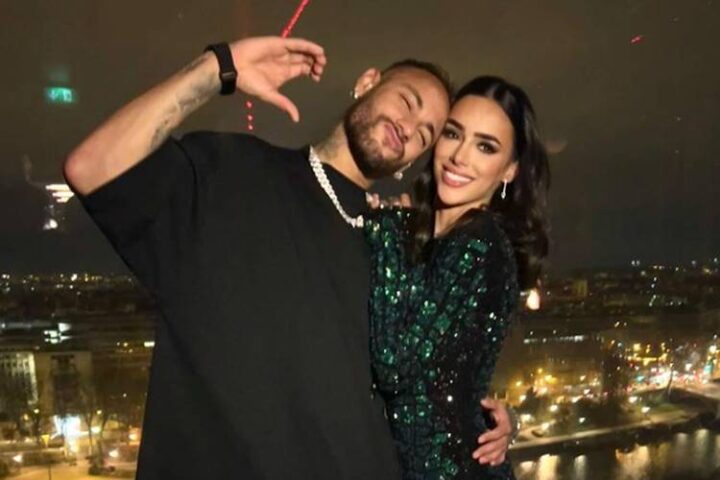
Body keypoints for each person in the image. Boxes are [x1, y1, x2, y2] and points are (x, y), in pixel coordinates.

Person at [64, 36, 514, 479]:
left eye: (426, 135)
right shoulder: (233, 175)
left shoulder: (400, 248)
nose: (410, 127)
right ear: (366, 83)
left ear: (409, 163)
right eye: (407, 101)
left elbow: (435, 381)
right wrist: (217, 68)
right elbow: (94, 167)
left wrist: (485, 423)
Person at [365, 76, 550, 479]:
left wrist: (385, 234)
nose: (459, 157)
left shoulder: (478, 244)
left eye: (486, 146)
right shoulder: (436, 238)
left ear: (510, 170)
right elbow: (454, 377)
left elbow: (394, 364)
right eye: (453, 134)